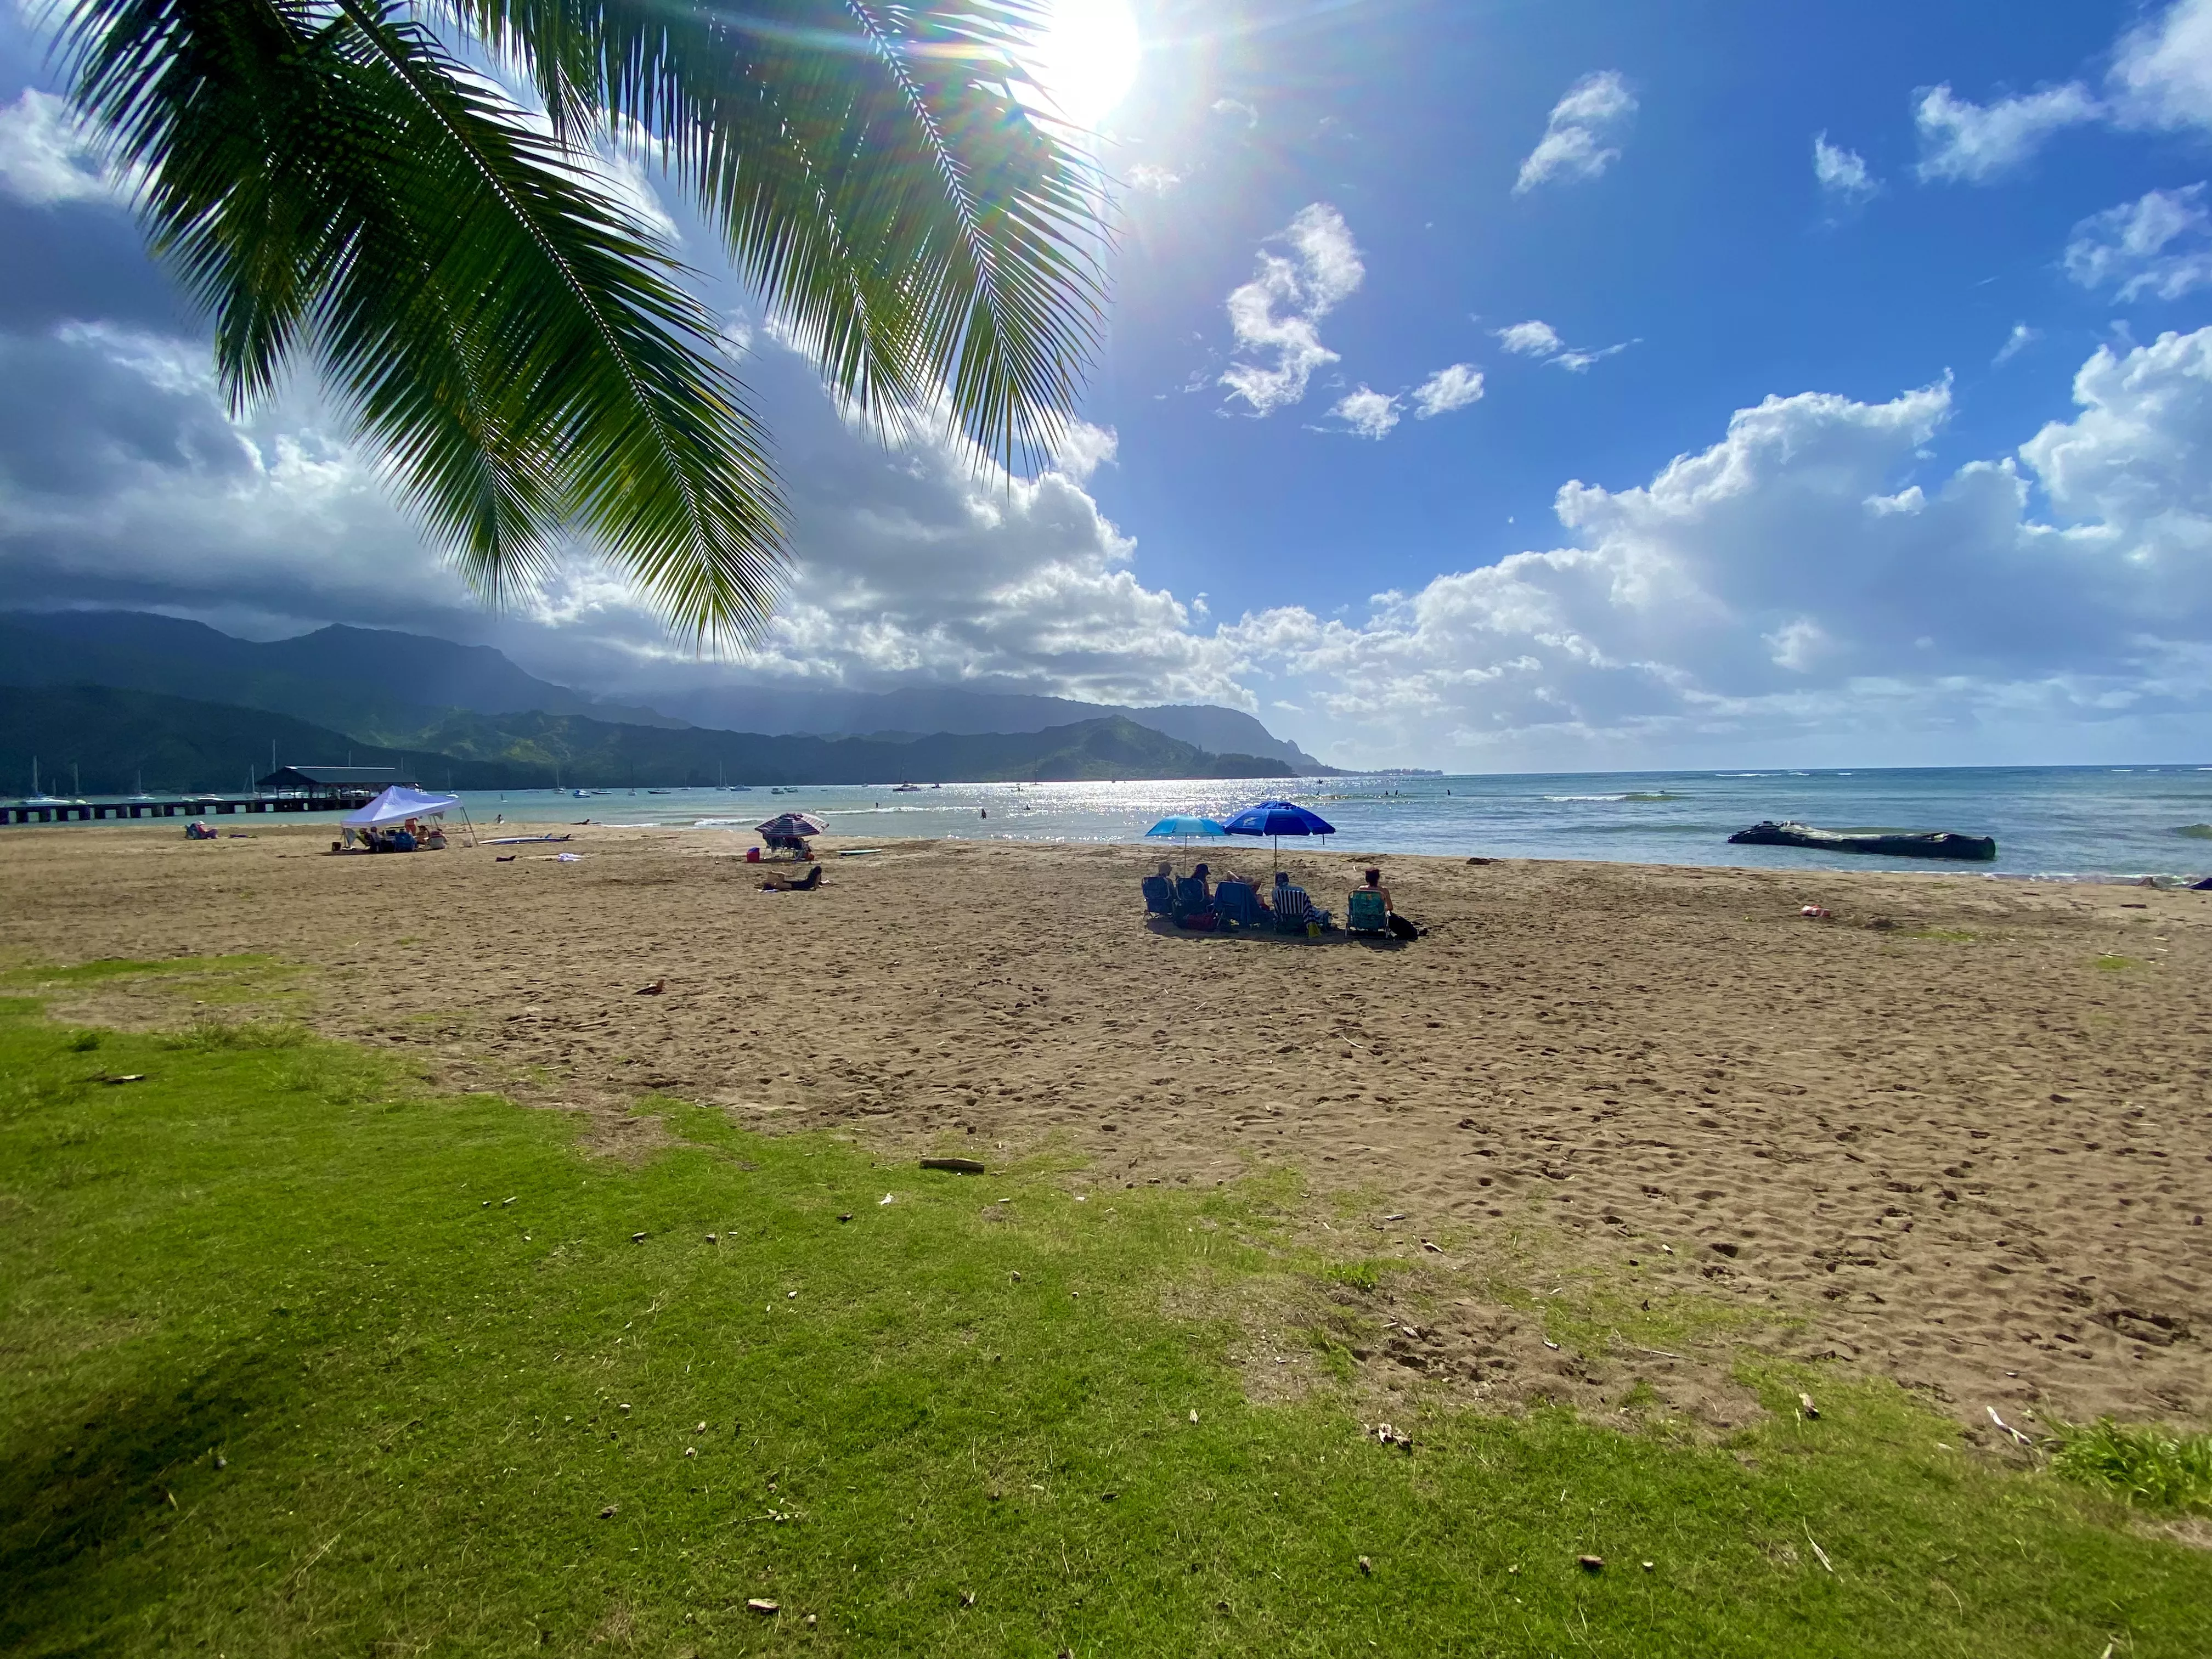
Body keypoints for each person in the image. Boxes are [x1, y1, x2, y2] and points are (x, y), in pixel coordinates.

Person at [1361, 866, 1421, 940]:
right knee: (1396, 920)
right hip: (1379, 919)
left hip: (1362, 919)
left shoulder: (1361, 890)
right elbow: (1390, 907)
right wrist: (1382, 909)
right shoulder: (1383, 891)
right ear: (1378, 878)